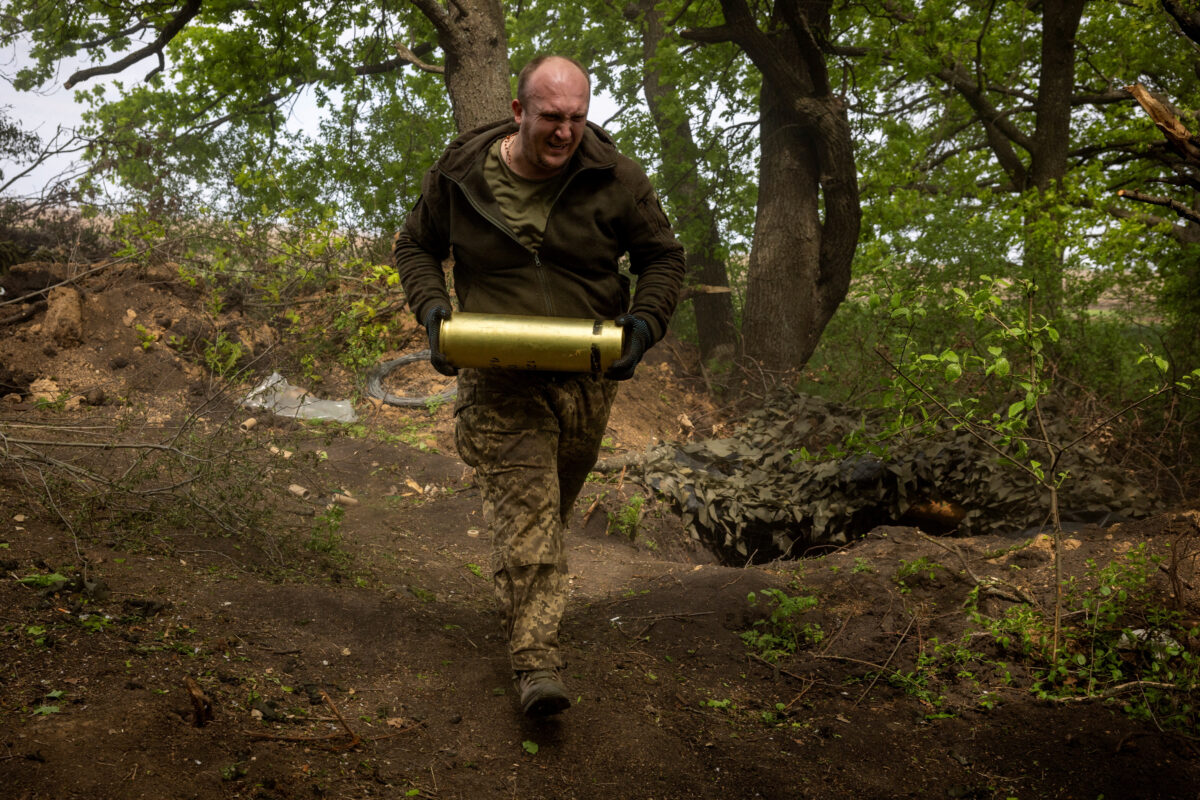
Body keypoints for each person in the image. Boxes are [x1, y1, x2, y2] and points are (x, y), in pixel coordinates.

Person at [392, 54, 685, 717]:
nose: (565, 132)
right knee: (527, 503)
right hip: (495, 373)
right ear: (519, 112)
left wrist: (643, 325)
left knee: (550, 504)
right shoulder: (460, 175)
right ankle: (536, 662)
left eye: (578, 118)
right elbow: (415, 247)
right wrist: (435, 314)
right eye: (551, 117)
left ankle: (526, 597)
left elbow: (663, 257)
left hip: (586, 370)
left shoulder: (617, 179)